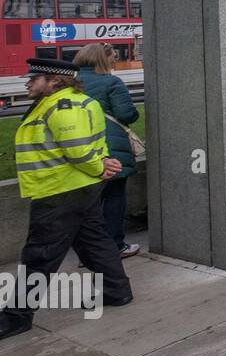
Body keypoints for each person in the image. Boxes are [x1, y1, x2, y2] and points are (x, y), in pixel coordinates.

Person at [1, 59, 131, 340]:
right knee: (93, 241)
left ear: (55, 80)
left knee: (40, 254)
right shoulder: (70, 102)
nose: (28, 82)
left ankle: (16, 317)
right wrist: (102, 166)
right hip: (79, 187)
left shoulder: (63, 107)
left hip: (60, 191)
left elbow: (79, 151)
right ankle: (116, 291)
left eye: (34, 78)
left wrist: (99, 167)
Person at [74, 43, 141, 258]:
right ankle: (114, 246)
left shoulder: (71, 84)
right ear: (103, 60)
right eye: (113, 57)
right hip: (110, 148)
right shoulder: (111, 82)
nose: (114, 61)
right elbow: (126, 114)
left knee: (89, 204)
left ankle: (88, 252)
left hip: (80, 149)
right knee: (114, 198)